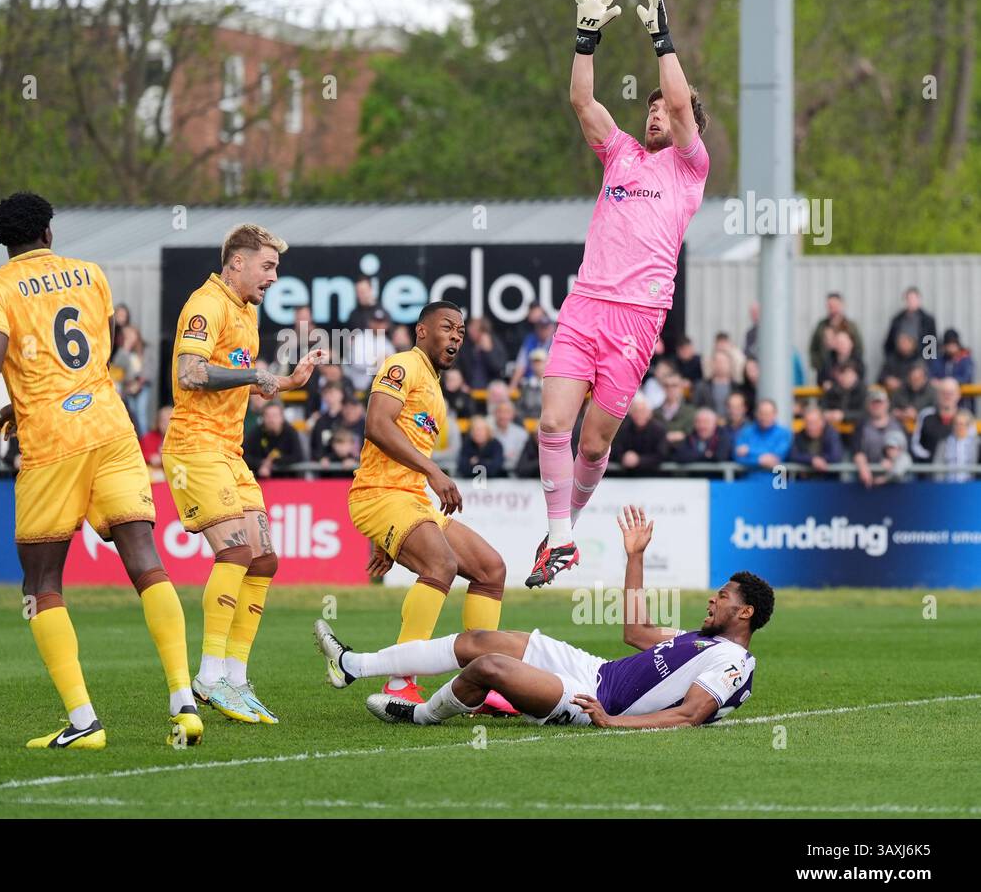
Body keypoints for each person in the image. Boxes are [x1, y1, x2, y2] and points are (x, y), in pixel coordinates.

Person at [0, 191, 200, 750]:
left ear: (2, 241)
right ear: (49, 232)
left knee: (41, 584)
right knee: (144, 561)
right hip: (112, 426)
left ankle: (84, 723)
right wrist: (23, 400)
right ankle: (183, 699)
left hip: (54, 444)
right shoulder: (91, 274)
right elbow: (87, 357)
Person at [531, 0, 710, 587]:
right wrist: (586, 39)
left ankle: (567, 528)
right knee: (553, 423)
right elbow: (582, 102)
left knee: (592, 443)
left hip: (637, 320)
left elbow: (683, 105)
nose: (657, 110)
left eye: (664, 107)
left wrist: (662, 39)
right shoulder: (622, 155)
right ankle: (559, 540)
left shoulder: (689, 168)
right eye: (652, 107)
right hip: (586, 306)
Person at [316, 506, 770, 730]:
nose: (713, 599)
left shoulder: (734, 663)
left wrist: (612, 722)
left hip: (593, 700)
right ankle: (354, 665)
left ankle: (420, 717)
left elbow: (691, 715)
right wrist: (635, 557)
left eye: (723, 596)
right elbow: (636, 632)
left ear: (744, 612)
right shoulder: (702, 640)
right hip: (594, 670)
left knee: (490, 668)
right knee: (480, 640)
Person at [160, 222, 324, 726]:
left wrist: (284, 382)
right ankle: (208, 676)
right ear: (236, 263)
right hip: (194, 448)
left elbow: (227, 379)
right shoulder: (205, 304)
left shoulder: (246, 312)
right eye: (268, 266)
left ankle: (235, 676)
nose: (274, 277)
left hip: (229, 451)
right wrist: (256, 374)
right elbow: (189, 374)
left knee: (265, 560)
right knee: (235, 551)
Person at [348, 301, 508, 710]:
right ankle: (400, 681)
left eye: (460, 330)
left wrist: (393, 536)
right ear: (422, 331)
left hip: (407, 500)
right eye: (447, 327)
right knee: (441, 566)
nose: (456, 336)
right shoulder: (402, 365)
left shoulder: (434, 384)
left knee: (490, 569)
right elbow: (377, 425)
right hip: (379, 494)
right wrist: (434, 473)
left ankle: (482, 683)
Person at [852, 388, 909, 488]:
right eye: (873, 403)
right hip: (868, 481)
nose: (877, 406)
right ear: (868, 405)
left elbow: (906, 453)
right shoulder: (862, 426)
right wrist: (863, 467)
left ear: (887, 404)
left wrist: (892, 462)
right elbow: (858, 451)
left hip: (896, 482)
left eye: (880, 402)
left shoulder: (898, 425)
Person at [808, 293, 864, 378]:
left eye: (835, 306)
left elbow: (859, 349)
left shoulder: (850, 326)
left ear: (842, 305)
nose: (833, 309)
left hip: (847, 374)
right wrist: (819, 366)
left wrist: (850, 368)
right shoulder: (821, 326)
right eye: (830, 306)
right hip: (825, 373)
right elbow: (813, 349)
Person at [243, 401, 305, 477]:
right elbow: (245, 456)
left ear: (282, 417)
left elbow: (298, 456)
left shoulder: (290, 432)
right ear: (263, 418)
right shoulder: (256, 433)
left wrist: (273, 462)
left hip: (287, 479)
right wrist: (261, 463)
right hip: (260, 480)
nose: (271, 420)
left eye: (275, 416)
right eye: (268, 416)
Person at [610, 395, 668, 475]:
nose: (639, 415)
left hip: (652, 476)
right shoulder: (622, 428)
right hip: (625, 476)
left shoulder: (659, 430)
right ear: (631, 413)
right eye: (636, 411)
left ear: (649, 413)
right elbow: (614, 450)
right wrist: (623, 457)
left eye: (642, 411)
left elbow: (661, 455)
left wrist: (639, 460)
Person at [910, 376, 962, 464]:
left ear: (958, 395)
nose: (947, 397)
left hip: (957, 473)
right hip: (929, 471)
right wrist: (933, 458)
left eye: (951, 393)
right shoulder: (926, 415)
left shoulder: (965, 417)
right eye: (944, 393)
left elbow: (971, 446)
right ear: (938, 394)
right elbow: (915, 445)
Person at [732, 399, 792, 472]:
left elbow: (777, 457)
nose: (764, 417)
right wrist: (758, 460)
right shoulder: (746, 432)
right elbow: (737, 456)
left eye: (768, 414)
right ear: (756, 414)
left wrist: (749, 450)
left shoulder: (784, 433)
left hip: (776, 480)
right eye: (761, 413)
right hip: (748, 479)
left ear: (775, 414)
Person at [112, 323, 151, 434]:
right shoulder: (122, 351)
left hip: (142, 386)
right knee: (131, 413)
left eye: (131, 334)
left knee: (141, 413)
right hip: (127, 387)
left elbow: (149, 369)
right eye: (126, 335)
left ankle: (144, 441)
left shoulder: (145, 350)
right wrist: (125, 348)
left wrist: (139, 383)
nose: (129, 337)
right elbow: (118, 365)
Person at [882, 287, 936, 362]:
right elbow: (889, 343)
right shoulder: (897, 320)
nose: (911, 302)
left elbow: (931, 344)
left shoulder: (927, 321)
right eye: (909, 299)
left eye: (914, 299)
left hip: (920, 360)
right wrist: (891, 360)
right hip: (899, 361)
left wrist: (928, 363)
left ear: (919, 300)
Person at [346, 307, 394, 390]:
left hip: (379, 388)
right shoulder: (359, 338)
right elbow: (357, 363)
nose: (378, 325)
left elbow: (391, 366)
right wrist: (378, 362)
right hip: (358, 387)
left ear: (387, 325)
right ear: (369, 322)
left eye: (381, 322)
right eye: (375, 321)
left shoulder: (388, 344)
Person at [789, 403, 843, 476]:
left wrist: (819, 460)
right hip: (804, 481)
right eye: (808, 422)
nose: (811, 427)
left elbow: (836, 455)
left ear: (822, 422)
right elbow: (793, 455)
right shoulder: (799, 435)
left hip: (829, 480)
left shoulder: (831, 434)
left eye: (814, 423)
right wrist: (812, 460)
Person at [456, 316, 508, 391]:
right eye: (470, 329)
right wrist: (462, 383)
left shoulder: (495, 343)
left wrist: (489, 351)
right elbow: (459, 366)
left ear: (483, 331)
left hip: (491, 388)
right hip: (470, 389)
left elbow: (499, 368)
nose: (471, 332)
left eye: (475, 330)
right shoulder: (465, 345)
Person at [509, 312, 554, 395]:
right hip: (530, 384)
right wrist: (512, 387)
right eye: (541, 327)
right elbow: (521, 365)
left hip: (550, 383)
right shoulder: (530, 340)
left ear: (551, 327)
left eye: (546, 327)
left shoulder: (556, 341)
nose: (543, 330)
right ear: (536, 328)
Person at [820, 361, 868, 437]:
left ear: (855, 375)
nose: (845, 377)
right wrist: (826, 414)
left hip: (857, 434)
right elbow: (822, 406)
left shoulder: (862, 390)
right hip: (834, 432)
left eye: (848, 374)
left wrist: (843, 415)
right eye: (842, 374)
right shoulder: (832, 390)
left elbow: (864, 413)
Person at [692, 350, 743, 422]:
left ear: (730, 364)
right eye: (716, 362)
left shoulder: (738, 387)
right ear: (712, 364)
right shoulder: (701, 386)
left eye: (723, 362)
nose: (720, 365)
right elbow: (695, 408)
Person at [932, 410, 978, 483]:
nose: (959, 427)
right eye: (956, 424)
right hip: (948, 485)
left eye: (962, 424)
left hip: (970, 486)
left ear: (968, 426)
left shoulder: (976, 444)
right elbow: (937, 466)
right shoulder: (944, 443)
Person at [307, 382, 348, 462]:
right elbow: (315, 446)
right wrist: (321, 458)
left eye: (332, 392)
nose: (329, 397)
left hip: (349, 468)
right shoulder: (320, 421)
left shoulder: (348, 418)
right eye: (326, 393)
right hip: (326, 469)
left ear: (341, 394)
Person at [655, 366, 695, 445]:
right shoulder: (654, 413)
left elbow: (693, 436)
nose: (670, 389)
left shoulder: (691, 412)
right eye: (667, 385)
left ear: (681, 387)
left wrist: (683, 436)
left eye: (674, 385)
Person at [459, 414, 506, 478]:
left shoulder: (496, 445)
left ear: (488, 431)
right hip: (470, 483)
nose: (477, 433)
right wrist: (487, 462)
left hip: (494, 484)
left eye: (481, 430)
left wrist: (477, 461)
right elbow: (463, 469)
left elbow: (494, 470)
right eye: (474, 430)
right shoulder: (467, 445)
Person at [891, 361, 935, 426]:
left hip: (923, 427)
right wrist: (900, 413)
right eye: (911, 379)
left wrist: (917, 415)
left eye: (917, 379)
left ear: (925, 379)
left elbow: (934, 417)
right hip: (901, 425)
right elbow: (891, 408)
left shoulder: (932, 393)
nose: (914, 382)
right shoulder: (901, 390)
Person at [489, 398, 528, 466]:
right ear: (494, 413)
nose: (503, 415)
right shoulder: (488, 432)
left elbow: (521, 458)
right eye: (500, 411)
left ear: (513, 414)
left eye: (507, 412)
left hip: (516, 473)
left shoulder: (521, 433)